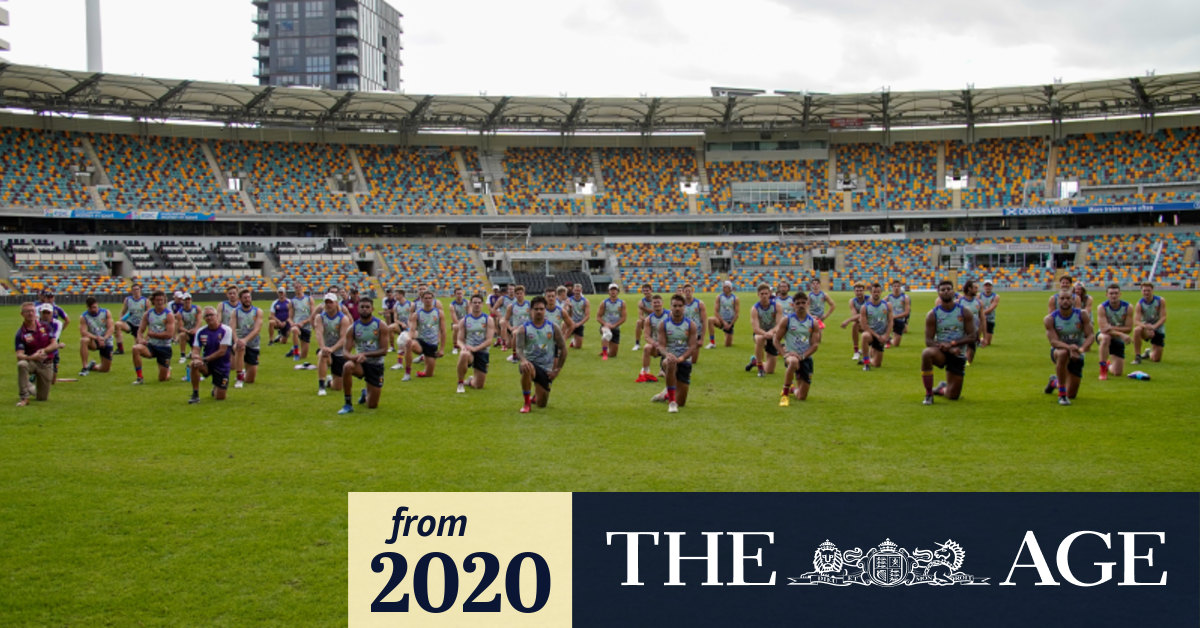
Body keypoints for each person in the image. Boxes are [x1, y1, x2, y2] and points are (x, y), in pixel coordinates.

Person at [921, 280, 977, 405]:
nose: (946, 291)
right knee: (926, 353)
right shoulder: (933, 314)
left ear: (953, 291)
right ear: (938, 293)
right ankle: (929, 394)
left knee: (952, 396)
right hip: (941, 352)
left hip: (958, 353)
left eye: (948, 289)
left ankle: (941, 389)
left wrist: (952, 344)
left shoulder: (964, 312)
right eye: (943, 289)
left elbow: (973, 336)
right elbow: (928, 341)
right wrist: (946, 348)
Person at [514, 296, 568, 413]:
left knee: (541, 404)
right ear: (531, 310)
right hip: (530, 363)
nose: (539, 311)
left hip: (546, 369)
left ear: (545, 310)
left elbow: (563, 348)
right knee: (527, 368)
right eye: (536, 309)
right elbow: (519, 348)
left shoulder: (553, 327)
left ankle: (535, 397)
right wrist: (523, 360)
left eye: (541, 309)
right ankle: (526, 403)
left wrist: (557, 370)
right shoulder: (523, 329)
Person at [339, 297, 392, 414]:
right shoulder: (352, 328)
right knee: (347, 366)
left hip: (376, 365)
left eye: (367, 307)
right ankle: (348, 403)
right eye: (362, 307)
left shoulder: (380, 325)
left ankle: (365, 394)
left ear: (372, 308)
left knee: (372, 405)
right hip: (360, 364)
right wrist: (354, 357)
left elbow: (384, 350)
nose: (364, 309)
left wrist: (364, 354)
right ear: (358, 309)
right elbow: (345, 352)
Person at [1044, 291, 1095, 406]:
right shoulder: (1050, 319)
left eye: (1068, 298)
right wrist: (1070, 348)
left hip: (1078, 353)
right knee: (1063, 353)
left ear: (1073, 300)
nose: (1065, 301)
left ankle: (1054, 382)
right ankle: (1062, 395)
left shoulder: (1082, 315)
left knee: (1071, 393)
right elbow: (1054, 341)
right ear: (1058, 301)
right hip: (1058, 351)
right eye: (1062, 298)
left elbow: (1091, 336)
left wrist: (1080, 350)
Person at [650, 294, 699, 414]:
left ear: (684, 308)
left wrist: (682, 358)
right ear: (670, 307)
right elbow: (661, 346)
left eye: (680, 306)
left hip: (684, 361)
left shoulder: (690, 325)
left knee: (681, 403)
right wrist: (667, 354)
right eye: (675, 305)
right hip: (669, 359)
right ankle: (672, 402)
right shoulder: (664, 324)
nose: (677, 308)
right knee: (670, 363)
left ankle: (665, 394)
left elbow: (693, 346)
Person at [775, 291, 822, 405]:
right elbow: (776, 340)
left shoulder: (813, 323)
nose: (801, 305)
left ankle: (793, 389)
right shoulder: (787, 320)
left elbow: (815, 345)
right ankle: (785, 394)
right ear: (793, 305)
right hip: (791, 355)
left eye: (803, 303)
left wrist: (802, 356)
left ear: (807, 304)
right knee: (793, 362)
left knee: (802, 396)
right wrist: (784, 354)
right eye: (798, 303)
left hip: (805, 357)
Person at [16, 302, 60, 406]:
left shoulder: (46, 326)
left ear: (35, 313)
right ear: (22, 314)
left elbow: (54, 344)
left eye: (32, 311)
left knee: (42, 398)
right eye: (27, 312)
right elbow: (19, 355)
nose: (30, 314)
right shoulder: (21, 333)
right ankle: (24, 397)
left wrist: (44, 351)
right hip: (32, 362)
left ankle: (29, 386)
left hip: (47, 363)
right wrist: (32, 357)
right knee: (22, 364)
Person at [187, 307, 234, 404]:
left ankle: (216, 386)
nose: (209, 317)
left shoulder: (226, 330)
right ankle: (195, 394)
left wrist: (204, 359)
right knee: (194, 364)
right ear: (204, 318)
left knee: (220, 397)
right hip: (207, 364)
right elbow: (195, 349)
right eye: (206, 316)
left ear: (217, 316)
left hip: (222, 365)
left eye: (211, 315)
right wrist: (196, 357)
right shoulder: (201, 332)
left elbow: (222, 351)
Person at [131, 290, 176, 385]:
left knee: (162, 379)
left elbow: (169, 334)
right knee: (135, 348)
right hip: (151, 346)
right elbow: (140, 330)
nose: (159, 302)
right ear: (153, 301)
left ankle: (168, 371)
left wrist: (153, 334)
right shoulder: (148, 314)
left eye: (161, 300)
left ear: (164, 301)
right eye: (157, 300)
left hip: (164, 348)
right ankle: (139, 377)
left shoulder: (168, 315)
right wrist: (140, 339)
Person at [402, 290, 446, 381]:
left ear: (433, 299)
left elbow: (443, 331)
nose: (428, 300)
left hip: (432, 344)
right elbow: (412, 330)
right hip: (421, 342)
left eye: (430, 298)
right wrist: (409, 338)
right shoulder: (417, 314)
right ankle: (407, 373)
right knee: (409, 344)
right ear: (421, 300)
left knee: (429, 375)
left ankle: (425, 360)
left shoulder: (439, 313)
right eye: (426, 298)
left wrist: (441, 349)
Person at [456, 293, 496, 393]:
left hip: (482, 351)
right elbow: (459, 339)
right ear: (470, 304)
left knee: (478, 386)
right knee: (463, 354)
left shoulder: (488, 320)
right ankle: (460, 384)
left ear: (482, 304)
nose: (477, 304)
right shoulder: (464, 320)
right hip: (469, 351)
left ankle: (470, 381)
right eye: (474, 302)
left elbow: (489, 340)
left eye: (479, 302)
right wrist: (463, 347)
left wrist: (476, 348)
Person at [314, 293, 351, 396]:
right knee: (323, 355)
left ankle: (329, 382)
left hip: (339, 351)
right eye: (326, 302)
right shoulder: (320, 317)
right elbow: (319, 333)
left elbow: (343, 338)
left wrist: (332, 349)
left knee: (338, 387)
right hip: (326, 349)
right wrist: (323, 348)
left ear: (336, 303)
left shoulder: (343, 319)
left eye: (331, 302)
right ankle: (321, 386)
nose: (328, 305)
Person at [1096, 283, 1133, 380]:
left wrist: (1111, 328)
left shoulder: (1128, 307)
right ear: (1106, 295)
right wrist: (1121, 333)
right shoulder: (1102, 307)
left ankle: (1108, 366)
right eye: (1111, 293)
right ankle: (1102, 370)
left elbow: (1129, 328)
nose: (1114, 296)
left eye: (1116, 293)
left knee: (1118, 373)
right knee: (1105, 337)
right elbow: (1103, 329)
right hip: (1104, 335)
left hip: (1117, 338)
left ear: (1120, 294)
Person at [745, 284, 782, 377]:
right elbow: (756, 328)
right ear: (758, 294)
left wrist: (771, 332)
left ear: (770, 294)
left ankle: (755, 361)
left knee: (770, 370)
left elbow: (779, 325)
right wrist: (765, 333)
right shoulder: (755, 309)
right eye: (762, 294)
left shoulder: (777, 306)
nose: (764, 296)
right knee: (760, 339)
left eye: (766, 293)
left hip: (772, 334)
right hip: (760, 333)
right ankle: (760, 368)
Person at [231, 288, 263, 389]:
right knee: (240, 348)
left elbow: (257, 329)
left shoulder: (257, 311)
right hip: (240, 342)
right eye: (245, 298)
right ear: (240, 299)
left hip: (253, 344)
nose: (247, 299)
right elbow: (232, 328)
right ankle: (239, 377)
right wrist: (237, 340)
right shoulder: (235, 312)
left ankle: (243, 371)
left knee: (250, 380)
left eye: (249, 297)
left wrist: (245, 340)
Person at [859, 282, 893, 371]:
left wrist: (886, 336)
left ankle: (869, 358)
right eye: (874, 292)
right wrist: (877, 336)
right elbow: (864, 325)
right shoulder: (865, 307)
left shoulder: (887, 305)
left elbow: (890, 322)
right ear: (871, 292)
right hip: (872, 334)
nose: (876, 293)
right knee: (864, 336)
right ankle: (866, 364)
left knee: (877, 364)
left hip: (882, 335)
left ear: (881, 292)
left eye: (878, 291)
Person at [1132, 282, 1167, 364]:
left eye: (1148, 290)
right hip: (1145, 329)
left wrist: (1154, 327)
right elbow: (1136, 321)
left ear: (1152, 291)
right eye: (1144, 291)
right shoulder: (1139, 304)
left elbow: (1163, 317)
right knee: (1137, 330)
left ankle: (1148, 353)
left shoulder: (1160, 301)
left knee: (1156, 359)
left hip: (1158, 328)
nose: (1146, 292)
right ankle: (1137, 356)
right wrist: (1146, 327)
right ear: (1141, 291)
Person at [79, 296, 115, 376]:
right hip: (93, 340)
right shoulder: (84, 317)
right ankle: (84, 367)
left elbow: (111, 328)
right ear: (87, 307)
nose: (93, 310)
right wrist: (96, 338)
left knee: (105, 369)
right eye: (90, 308)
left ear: (97, 304)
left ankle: (92, 366)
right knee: (84, 340)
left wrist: (103, 338)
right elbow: (83, 332)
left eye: (94, 307)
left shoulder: (106, 312)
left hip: (106, 339)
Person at [636, 294, 668, 383]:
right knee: (647, 347)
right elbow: (646, 336)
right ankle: (645, 372)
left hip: (669, 346)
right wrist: (654, 343)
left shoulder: (670, 315)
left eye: (658, 302)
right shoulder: (649, 319)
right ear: (652, 304)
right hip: (656, 346)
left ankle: (664, 370)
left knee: (670, 376)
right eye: (654, 303)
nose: (657, 304)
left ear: (662, 303)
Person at [114, 283, 148, 355]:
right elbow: (123, 311)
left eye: (137, 289)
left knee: (138, 347)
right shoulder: (128, 299)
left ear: (140, 290)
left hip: (139, 325)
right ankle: (120, 349)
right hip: (129, 323)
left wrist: (145, 325)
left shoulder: (145, 301)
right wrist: (121, 319)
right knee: (117, 324)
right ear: (132, 291)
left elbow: (148, 314)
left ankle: (143, 341)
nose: (136, 291)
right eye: (134, 290)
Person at [287, 285, 316, 368]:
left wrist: (304, 322)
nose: (298, 289)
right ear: (294, 289)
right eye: (296, 287)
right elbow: (289, 317)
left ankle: (294, 351)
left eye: (299, 287)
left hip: (306, 326)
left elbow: (312, 315)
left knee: (304, 356)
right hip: (297, 325)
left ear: (303, 288)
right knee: (295, 330)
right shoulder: (292, 301)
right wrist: (292, 323)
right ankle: (296, 351)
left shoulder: (309, 299)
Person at [596, 283, 626, 359]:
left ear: (618, 291)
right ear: (608, 291)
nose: (613, 291)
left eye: (615, 290)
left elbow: (623, 318)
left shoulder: (622, 303)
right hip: (605, 326)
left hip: (615, 327)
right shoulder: (604, 303)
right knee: (607, 334)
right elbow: (598, 317)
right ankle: (605, 354)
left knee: (613, 354)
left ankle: (605, 350)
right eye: (611, 290)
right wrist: (605, 324)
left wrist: (614, 325)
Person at [707, 281, 739, 349]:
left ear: (730, 288)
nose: (724, 289)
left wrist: (730, 325)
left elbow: (736, 314)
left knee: (728, 345)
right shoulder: (719, 297)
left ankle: (728, 335)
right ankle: (712, 342)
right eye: (724, 287)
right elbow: (716, 311)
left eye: (726, 287)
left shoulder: (735, 298)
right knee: (710, 320)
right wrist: (723, 322)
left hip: (729, 322)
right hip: (721, 321)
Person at [680, 283, 707, 364]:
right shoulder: (680, 304)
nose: (688, 292)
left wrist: (702, 339)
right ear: (683, 292)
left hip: (696, 333)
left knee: (693, 362)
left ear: (692, 292)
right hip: (683, 332)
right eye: (686, 291)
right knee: (683, 359)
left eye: (689, 291)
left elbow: (704, 321)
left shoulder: (699, 304)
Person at [37, 303, 64, 383]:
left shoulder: (57, 323)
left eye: (48, 313)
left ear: (52, 313)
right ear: (40, 313)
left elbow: (54, 338)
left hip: (52, 350)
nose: (46, 315)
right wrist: (59, 345)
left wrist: (56, 346)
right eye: (44, 313)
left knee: (52, 381)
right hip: (38, 350)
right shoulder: (35, 323)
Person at [957, 280, 982, 365]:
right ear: (969, 288)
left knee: (972, 347)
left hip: (974, 329)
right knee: (961, 345)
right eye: (975, 288)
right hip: (961, 328)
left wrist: (981, 333)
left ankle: (967, 361)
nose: (977, 290)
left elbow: (982, 318)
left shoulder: (978, 302)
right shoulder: (959, 302)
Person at [841, 283, 868, 361]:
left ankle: (865, 349)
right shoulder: (852, 301)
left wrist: (848, 320)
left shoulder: (869, 300)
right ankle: (856, 351)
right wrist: (858, 318)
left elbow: (865, 314)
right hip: (860, 322)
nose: (859, 292)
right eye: (857, 291)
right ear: (854, 291)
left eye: (860, 290)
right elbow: (854, 315)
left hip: (870, 323)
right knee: (854, 325)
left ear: (864, 291)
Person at [505, 285, 532, 362]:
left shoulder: (529, 304)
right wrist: (510, 328)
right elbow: (506, 320)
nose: (519, 295)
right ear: (515, 295)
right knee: (514, 334)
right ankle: (514, 355)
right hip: (517, 327)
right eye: (517, 293)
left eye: (521, 293)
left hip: (528, 327)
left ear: (524, 294)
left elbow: (533, 318)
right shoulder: (511, 306)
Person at [389, 289, 415, 369]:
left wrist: (409, 325)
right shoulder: (396, 306)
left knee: (406, 343)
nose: (395, 296)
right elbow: (395, 319)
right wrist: (402, 323)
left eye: (396, 294)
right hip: (402, 325)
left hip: (411, 326)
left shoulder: (411, 304)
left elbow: (414, 317)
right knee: (390, 328)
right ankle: (392, 347)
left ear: (401, 295)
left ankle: (422, 356)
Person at [175, 293, 201, 372]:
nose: (187, 301)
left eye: (188, 299)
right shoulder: (180, 313)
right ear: (183, 301)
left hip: (196, 332)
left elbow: (199, 321)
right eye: (185, 300)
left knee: (196, 354)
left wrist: (196, 329)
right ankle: (182, 355)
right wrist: (188, 331)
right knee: (182, 335)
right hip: (187, 332)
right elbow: (180, 326)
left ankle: (192, 352)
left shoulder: (197, 309)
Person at [886, 280, 911, 347]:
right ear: (892, 287)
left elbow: (906, 312)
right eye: (894, 286)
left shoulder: (905, 298)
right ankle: (887, 339)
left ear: (900, 287)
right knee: (890, 322)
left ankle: (889, 339)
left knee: (896, 344)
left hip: (900, 320)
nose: (896, 288)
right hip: (891, 320)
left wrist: (894, 317)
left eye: (898, 286)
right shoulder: (888, 297)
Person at [567, 283, 590, 349]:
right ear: (573, 291)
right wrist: (571, 322)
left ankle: (573, 341)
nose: (577, 292)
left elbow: (587, 316)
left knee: (578, 347)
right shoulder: (569, 300)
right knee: (563, 339)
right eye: (576, 290)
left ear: (581, 291)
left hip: (579, 324)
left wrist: (579, 324)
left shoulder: (585, 301)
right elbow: (566, 314)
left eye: (578, 290)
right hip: (570, 323)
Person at [978, 280, 1000, 347]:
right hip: (980, 319)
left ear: (992, 287)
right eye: (986, 285)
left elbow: (992, 308)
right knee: (976, 334)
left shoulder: (996, 296)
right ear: (984, 287)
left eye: (989, 285)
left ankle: (980, 340)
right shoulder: (979, 295)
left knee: (988, 342)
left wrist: (982, 313)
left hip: (990, 319)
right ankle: (976, 340)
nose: (988, 287)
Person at [448, 287, 468, 355]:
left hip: (466, 321)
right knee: (456, 327)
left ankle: (467, 344)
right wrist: (461, 325)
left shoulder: (467, 302)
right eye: (458, 294)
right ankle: (455, 346)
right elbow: (454, 318)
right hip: (457, 322)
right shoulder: (452, 305)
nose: (459, 295)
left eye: (461, 293)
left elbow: (470, 314)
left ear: (463, 294)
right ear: (455, 294)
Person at [633, 283, 653, 351]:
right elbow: (640, 315)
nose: (645, 292)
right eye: (644, 291)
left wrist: (643, 308)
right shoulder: (641, 301)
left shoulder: (655, 300)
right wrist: (645, 319)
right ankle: (637, 344)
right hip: (647, 320)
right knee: (639, 322)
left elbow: (655, 312)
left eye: (647, 290)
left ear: (651, 290)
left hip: (656, 319)